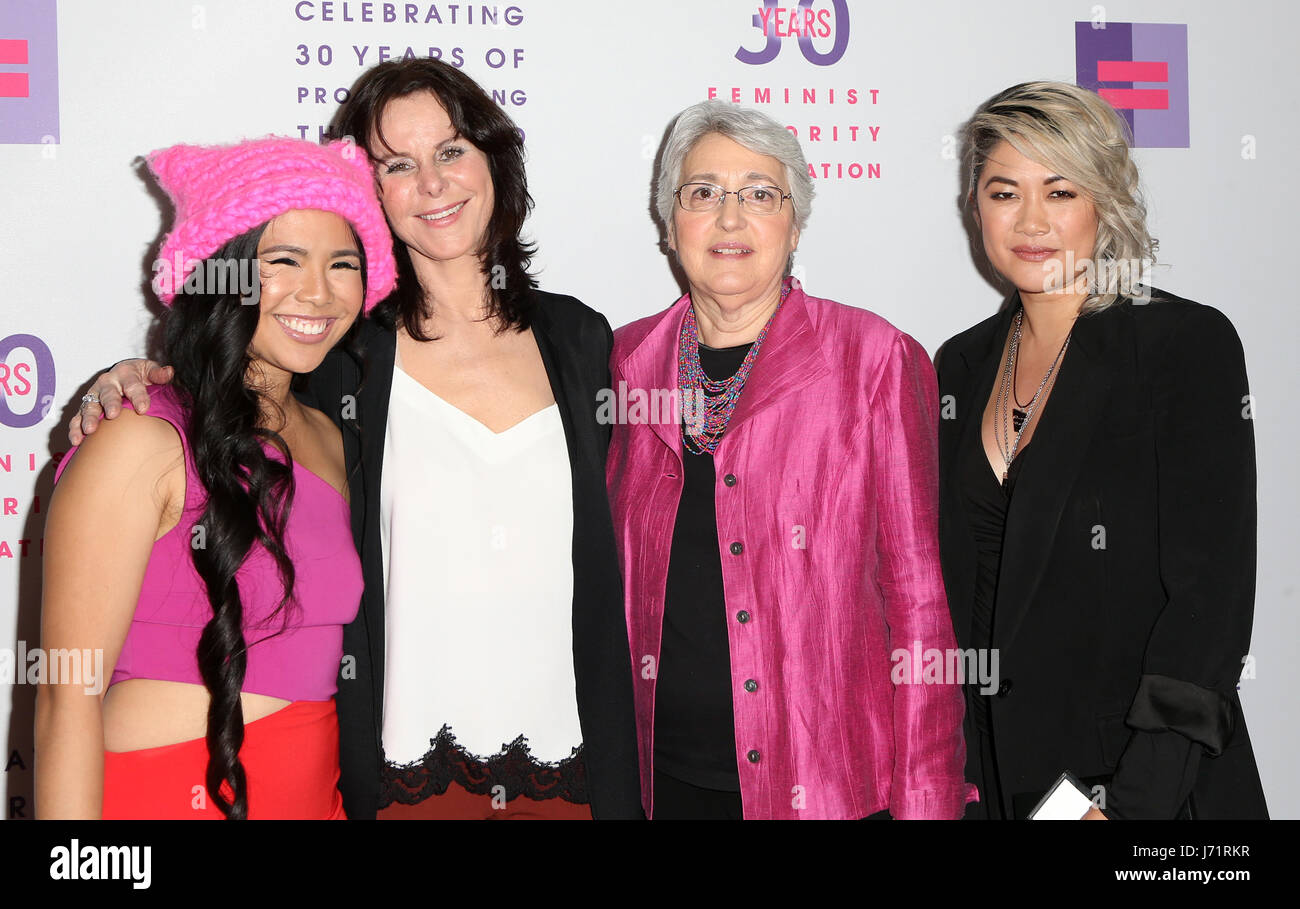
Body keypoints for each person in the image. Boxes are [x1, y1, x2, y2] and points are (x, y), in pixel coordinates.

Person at [67, 58, 642, 820]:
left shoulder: (581, 338)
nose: (432, 183)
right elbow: (228, 379)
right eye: (397, 165)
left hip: (573, 765)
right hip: (400, 773)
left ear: (495, 159)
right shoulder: (340, 356)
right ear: (366, 198)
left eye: (452, 150)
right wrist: (129, 375)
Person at [605, 99, 974, 819]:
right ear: (669, 222)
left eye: (760, 195)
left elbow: (921, 601)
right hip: (659, 784)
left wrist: (929, 803)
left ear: (795, 224)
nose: (731, 218)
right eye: (703, 192)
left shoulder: (874, 360)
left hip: (830, 790)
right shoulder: (620, 362)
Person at [36, 137, 397, 818]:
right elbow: (65, 696)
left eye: (342, 262)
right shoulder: (139, 436)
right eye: (283, 260)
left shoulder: (331, 436)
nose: (318, 290)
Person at [937, 81, 1268, 819]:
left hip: (1148, 787)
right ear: (974, 207)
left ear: (1103, 200)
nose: (1030, 220)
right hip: (995, 785)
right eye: (1003, 191)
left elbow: (1208, 609)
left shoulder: (1181, 345)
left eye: (1059, 191)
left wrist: (1129, 804)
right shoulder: (958, 365)